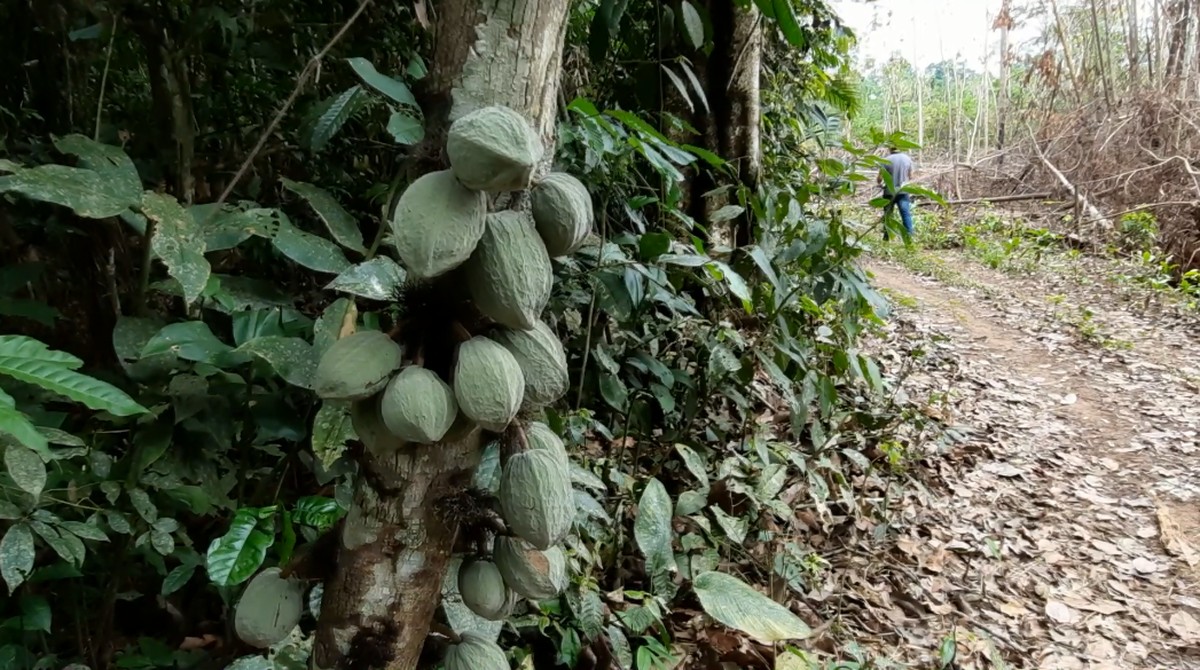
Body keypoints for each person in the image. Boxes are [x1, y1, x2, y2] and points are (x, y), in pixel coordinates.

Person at [877, 145, 915, 238]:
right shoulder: (907, 159)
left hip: (888, 192)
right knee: (905, 214)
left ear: (890, 149)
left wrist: (880, 183)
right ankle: (909, 238)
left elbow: (880, 178)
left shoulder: (885, 160)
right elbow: (911, 176)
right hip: (903, 191)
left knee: (888, 216)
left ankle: (887, 237)